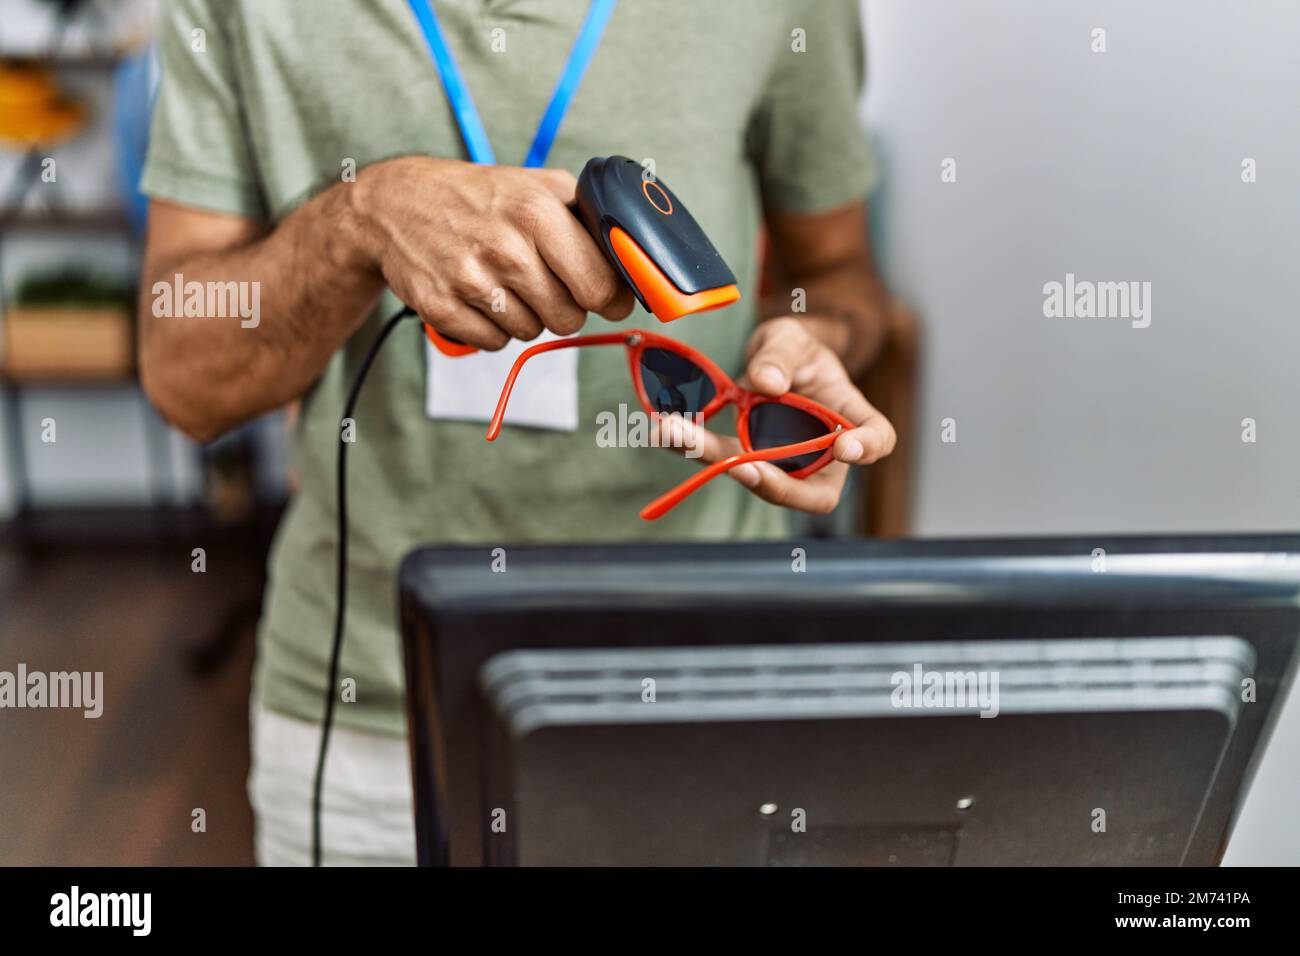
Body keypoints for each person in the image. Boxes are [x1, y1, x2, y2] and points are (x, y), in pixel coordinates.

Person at [137, 0, 897, 865]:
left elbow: (842, 279)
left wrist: (814, 340)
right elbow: (183, 377)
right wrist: (356, 220)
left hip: (705, 691)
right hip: (377, 714)